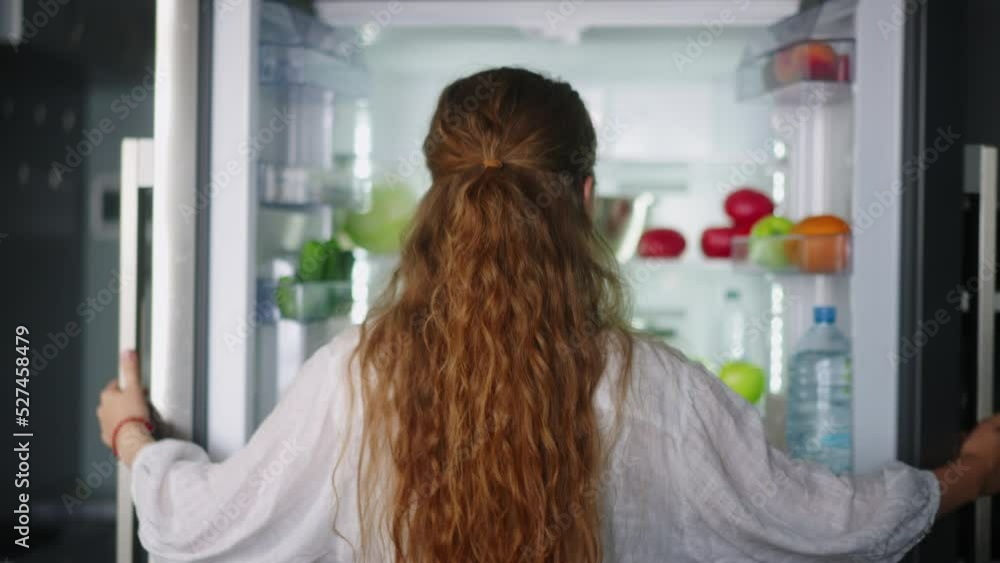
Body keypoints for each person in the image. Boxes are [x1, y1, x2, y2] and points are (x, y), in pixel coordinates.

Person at [98, 67, 1000, 563]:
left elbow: (201, 526)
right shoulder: (661, 390)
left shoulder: (355, 373)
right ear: (586, 198)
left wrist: (134, 433)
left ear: (440, 202)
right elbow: (824, 526)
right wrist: (969, 467)